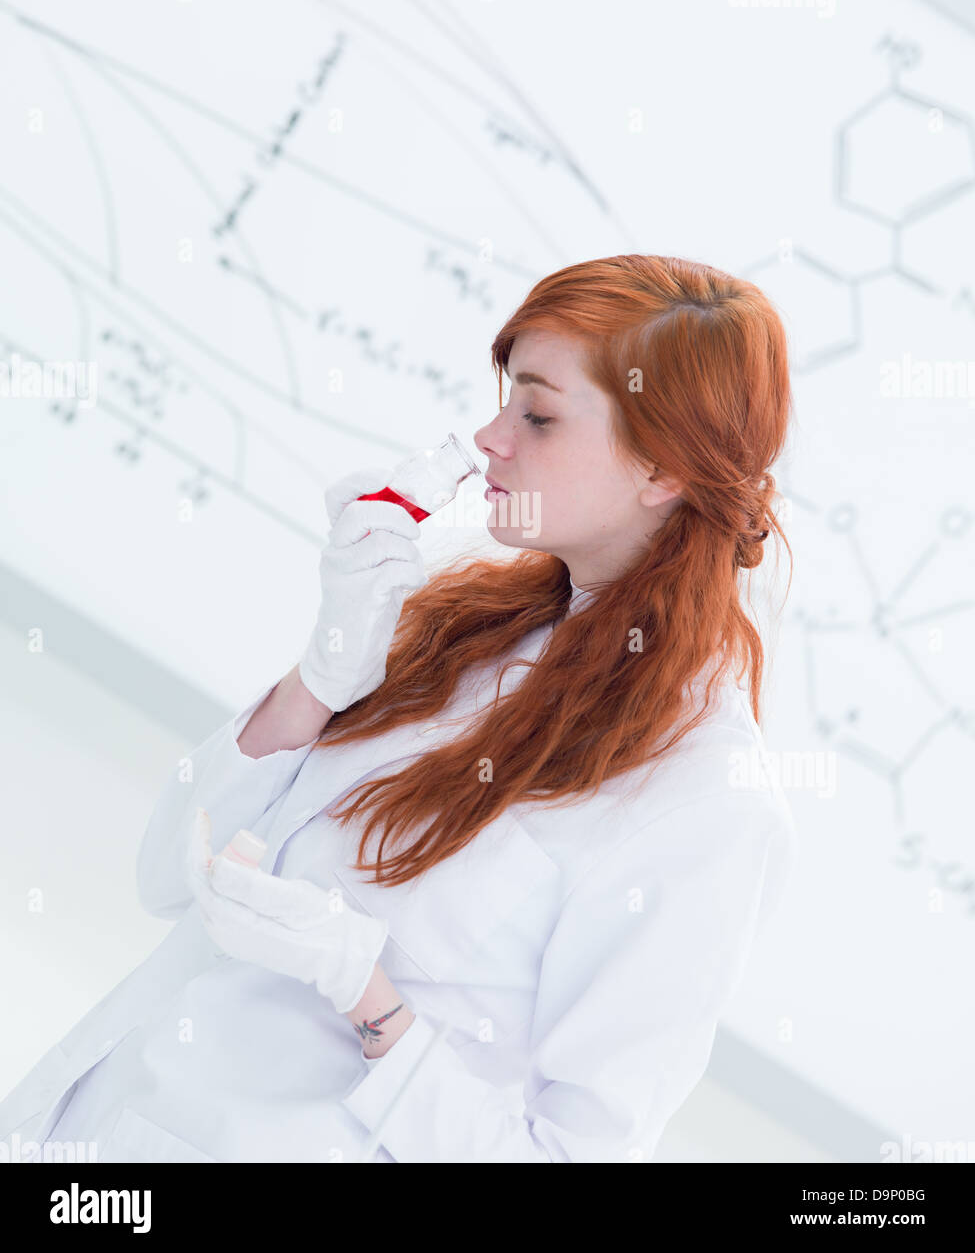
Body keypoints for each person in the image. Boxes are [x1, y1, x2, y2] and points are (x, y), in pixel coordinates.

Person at [0, 253, 797, 1163]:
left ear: (663, 469)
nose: (490, 437)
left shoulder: (704, 805)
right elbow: (166, 878)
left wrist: (366, 996)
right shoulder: (463, 634)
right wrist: (320, 679)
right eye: (504, 399)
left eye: (537, 415)